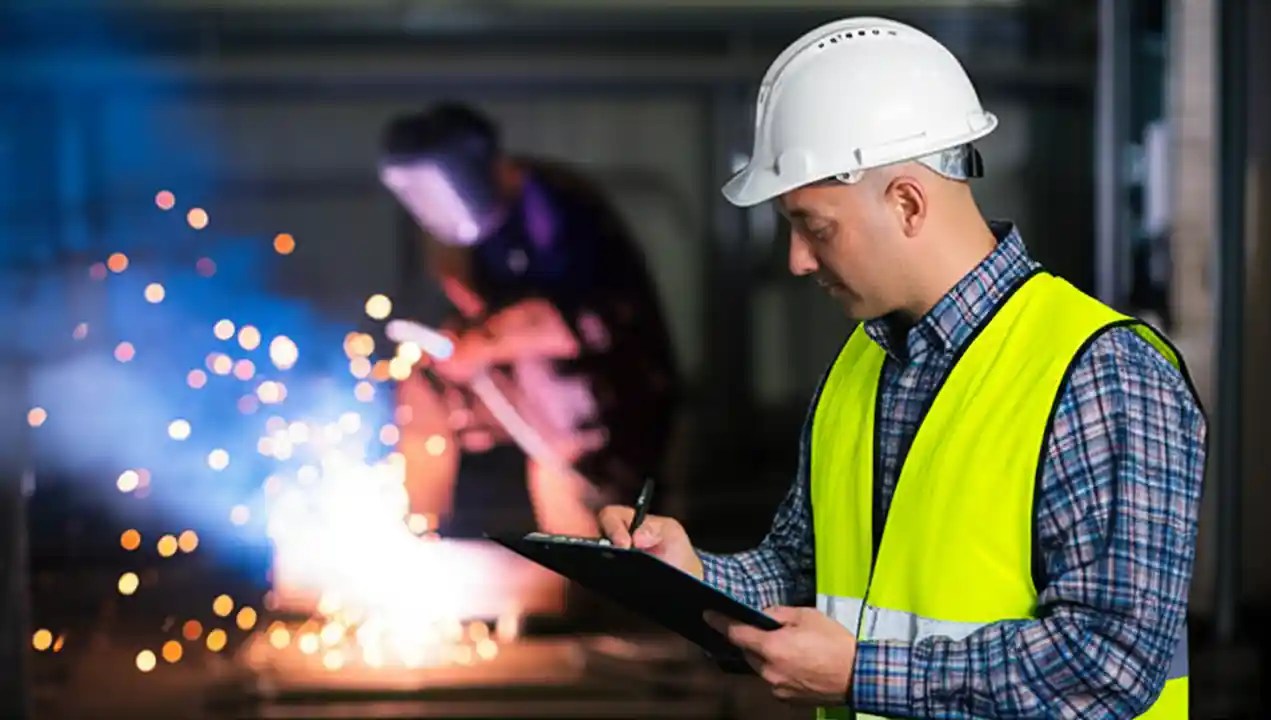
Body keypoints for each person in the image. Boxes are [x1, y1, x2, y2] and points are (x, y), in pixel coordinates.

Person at [599, 16, 1205, 719]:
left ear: (908, 203)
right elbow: (806, 573)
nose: (797, 261)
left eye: (815, 227)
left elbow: (1110, 662)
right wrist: (693, 576)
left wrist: (859, 674)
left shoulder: (1103, 374)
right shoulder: (863, 362)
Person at [378, 102, 680, 542]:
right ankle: (418, 535)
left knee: (565, 482)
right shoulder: (468, 227)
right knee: (423, 383)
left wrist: (481, 342)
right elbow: (472, 298)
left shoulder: (553, 205)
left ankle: (589, 565)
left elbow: (572, 323)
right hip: (527, 380)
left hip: (604, 398)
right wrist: (464, 327)